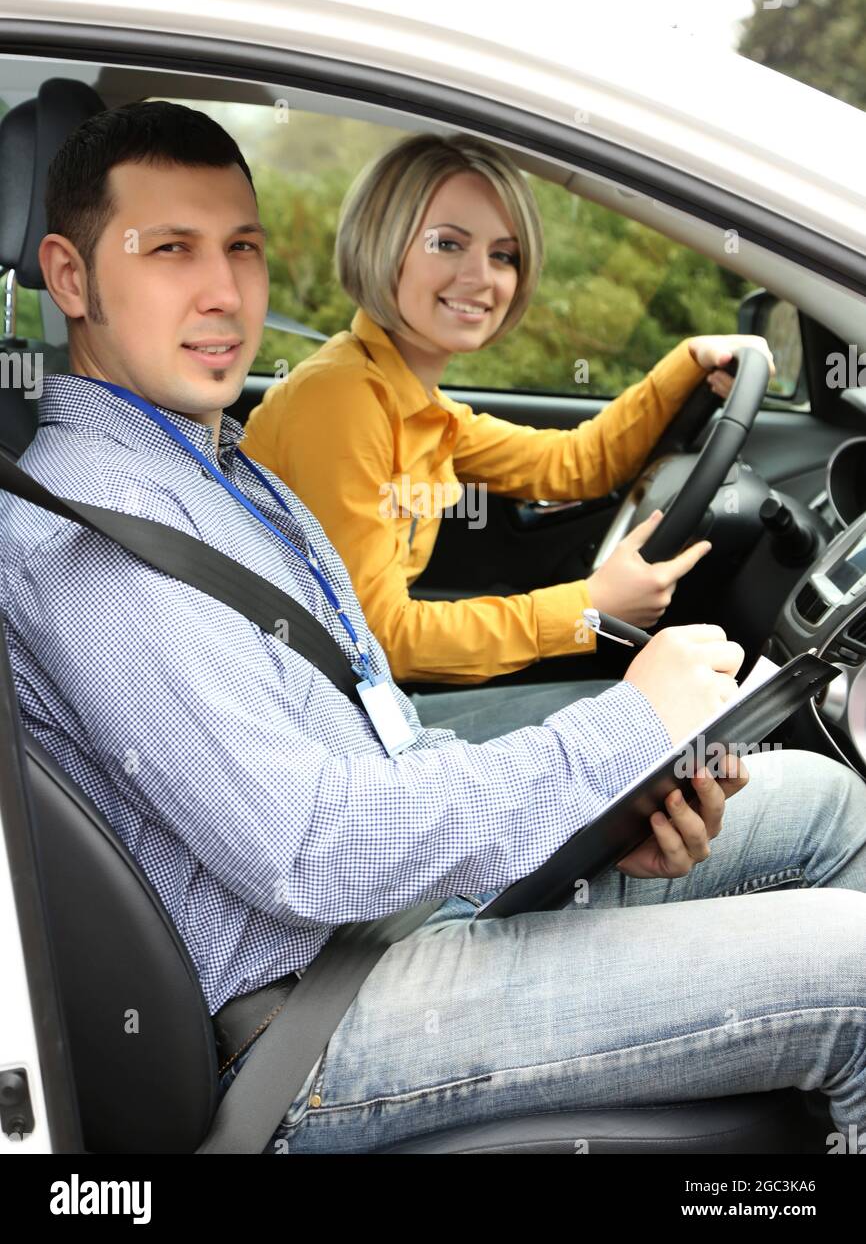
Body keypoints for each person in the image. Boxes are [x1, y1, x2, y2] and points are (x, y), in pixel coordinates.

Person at [1, 101, 864, 1157]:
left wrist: (596, 810)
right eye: (170, 250)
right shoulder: (89, 536)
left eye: (243, 249)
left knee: (824, 803)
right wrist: (617, 726)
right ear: (73, 276)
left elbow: (383, 733)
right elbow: (310, 846)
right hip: (313, 1017)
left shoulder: (220, 472)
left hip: (389, 915)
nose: (223, 292)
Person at [240, 132, 776, 740]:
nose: (481, 277)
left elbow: (578, 464)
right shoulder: (341, 399)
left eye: (504, 255)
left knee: (657, 719)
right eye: (448, 243)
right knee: (666, 725)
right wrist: (587, 608)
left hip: (356, 706)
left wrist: (688, 361)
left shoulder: (420, 407)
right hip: (317, 727)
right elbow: (381, 636)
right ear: (381, 242)